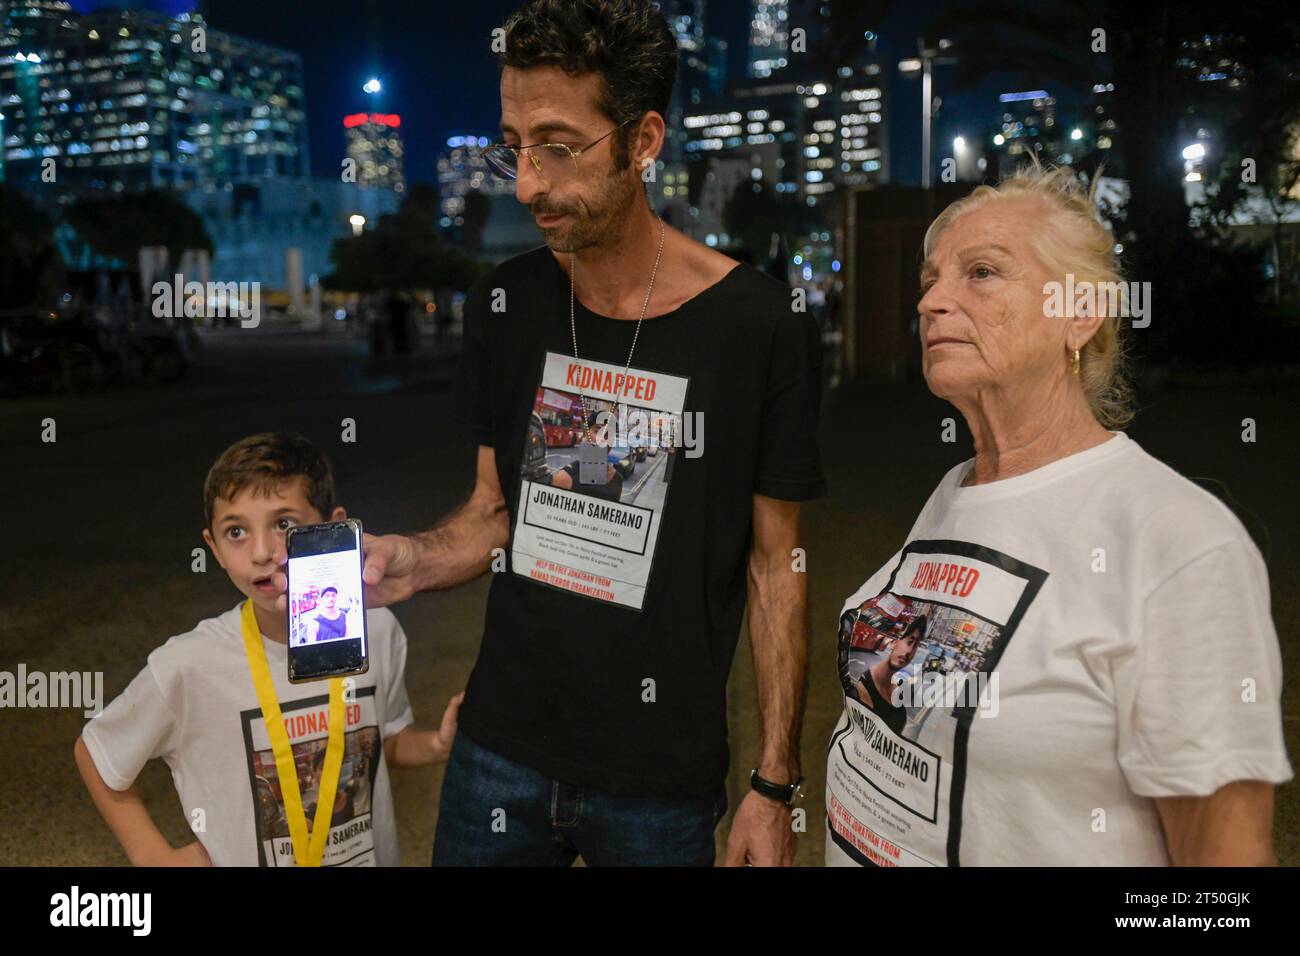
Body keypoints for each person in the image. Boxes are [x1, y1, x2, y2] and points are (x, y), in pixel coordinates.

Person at [297, 0, 826, 866]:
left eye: (558, 145)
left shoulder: (759, 326)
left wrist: (774, 786)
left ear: (643, 140)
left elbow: (776, 567)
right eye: (514, 144)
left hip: (660, 776)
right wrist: (411, 560)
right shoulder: (504, 305)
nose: (528, 182)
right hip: (500, 751)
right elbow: (495, 511)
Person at [824, 164, 1293, 868]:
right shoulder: (958, 489)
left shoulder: (1182, 544)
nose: (931, 302)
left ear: (1080, 311)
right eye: (930, 280)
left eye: (981, 273)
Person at [74, 432, 463, 866]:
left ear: (330, 526)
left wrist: (436, 745)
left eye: (283, 524)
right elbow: (96, 751)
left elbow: (381, 742)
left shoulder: (376, 629)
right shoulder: (190, 664)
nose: (260, 552)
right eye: (236, 531)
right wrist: (154, 856)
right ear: (214, 548)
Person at [851, 615, 925, 738]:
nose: (909, 651)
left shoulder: (897, 690)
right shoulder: (861, 689)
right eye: (909, 642)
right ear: (894, 643)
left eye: (915, 646)